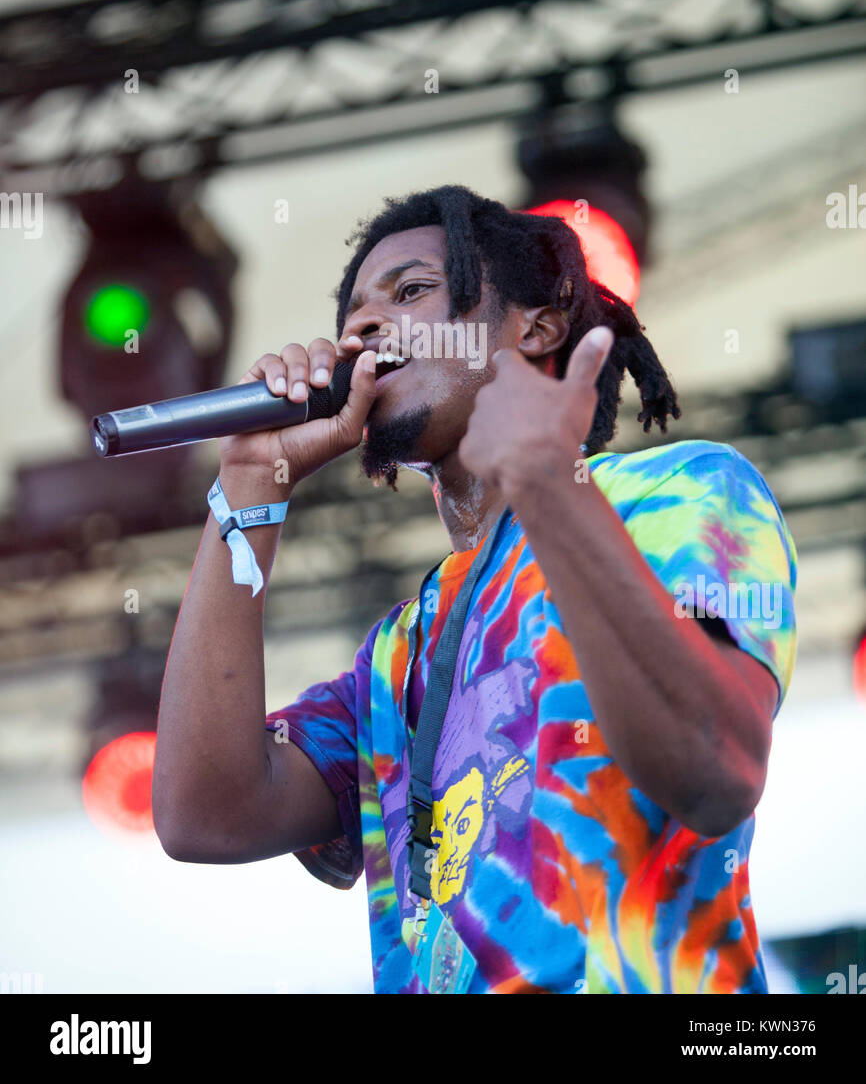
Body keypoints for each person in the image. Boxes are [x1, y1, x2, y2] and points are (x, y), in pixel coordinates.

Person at [152, 184, 797, 994]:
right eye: (353, 314)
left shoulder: (679, 492)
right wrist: (251, 483)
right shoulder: (396, 655)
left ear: (537, 327)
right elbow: (206, 813)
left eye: (411, 290)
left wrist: (544, 483)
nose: (361, 329)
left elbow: (717, 772)